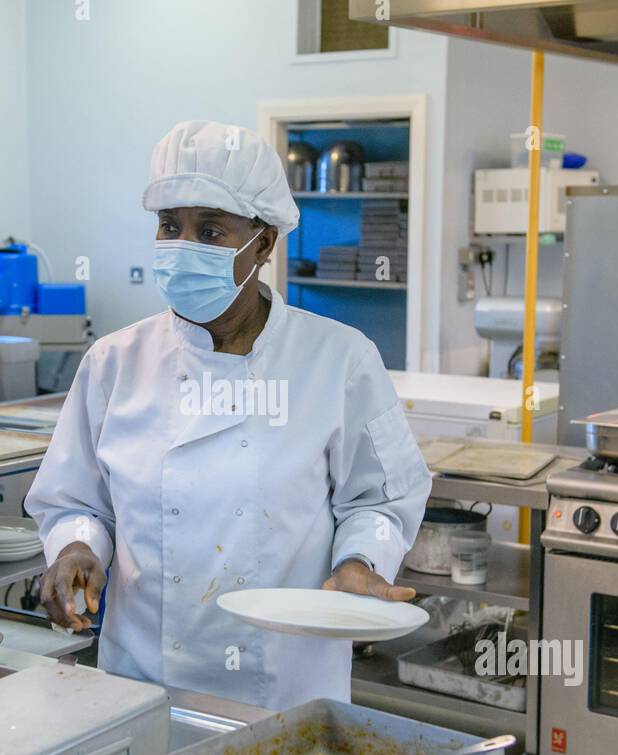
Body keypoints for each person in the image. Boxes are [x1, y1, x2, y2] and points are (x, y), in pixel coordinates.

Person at [25, 120, 431, 710]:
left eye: (210, 230)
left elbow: (380, 499)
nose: (182, 246)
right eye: (170, 226)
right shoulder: (114, 362)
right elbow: (76, 501)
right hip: (140, 685)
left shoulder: (338, 359)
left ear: (264, 243)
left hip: (286, 692)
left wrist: (359, 562)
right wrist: (76, 548)